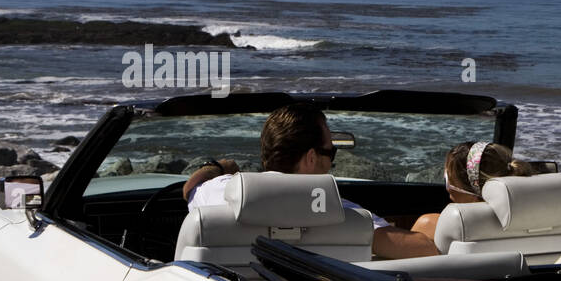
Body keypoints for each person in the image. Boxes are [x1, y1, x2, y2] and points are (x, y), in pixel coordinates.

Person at [182, 102, 438, 259]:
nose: (332, 162)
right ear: (311, 157)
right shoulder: (342, 213)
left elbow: (190, 187)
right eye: (331, 152)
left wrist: (221, 167)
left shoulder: (220, 194)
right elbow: (423, 249)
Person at [409, 141, 538, 242]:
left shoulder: (430, 225)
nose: (447, 186)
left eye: (447, 178)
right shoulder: (536, 225)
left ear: (469, 189)